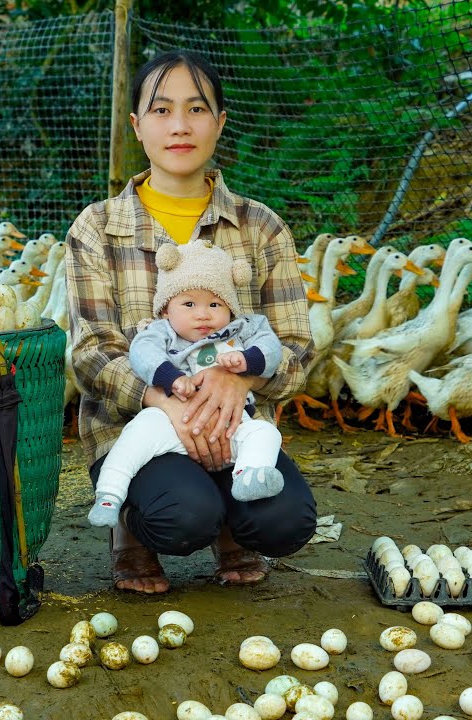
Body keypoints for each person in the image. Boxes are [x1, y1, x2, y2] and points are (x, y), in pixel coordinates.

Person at [66, 49, 317, 594]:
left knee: (286, 521)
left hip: (237, 427)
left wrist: (238, 378)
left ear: (220, 122)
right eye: (161, 110)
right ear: (137, 125)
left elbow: (297, 346)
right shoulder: (97, 228)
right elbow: (91, 353)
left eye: (196, 109)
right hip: (142, 429)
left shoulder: (261, 228)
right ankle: (133, 532)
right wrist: (165, 401)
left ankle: (238, 524)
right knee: (180, 517)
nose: (179, 126)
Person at [87, 239, 287, 528]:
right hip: (171, 423)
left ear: (230, 308)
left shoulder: (243, 327)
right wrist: (171, 378)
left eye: (215, 304)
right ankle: (110, 494)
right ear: (166, 309)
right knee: (136, 436)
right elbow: (142, 353)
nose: (203, 314)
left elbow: (272, 347)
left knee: (265, 433)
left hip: (230, 424)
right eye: (189, 304)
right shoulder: (161, 332)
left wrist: (247, 363)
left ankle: (250, 475)